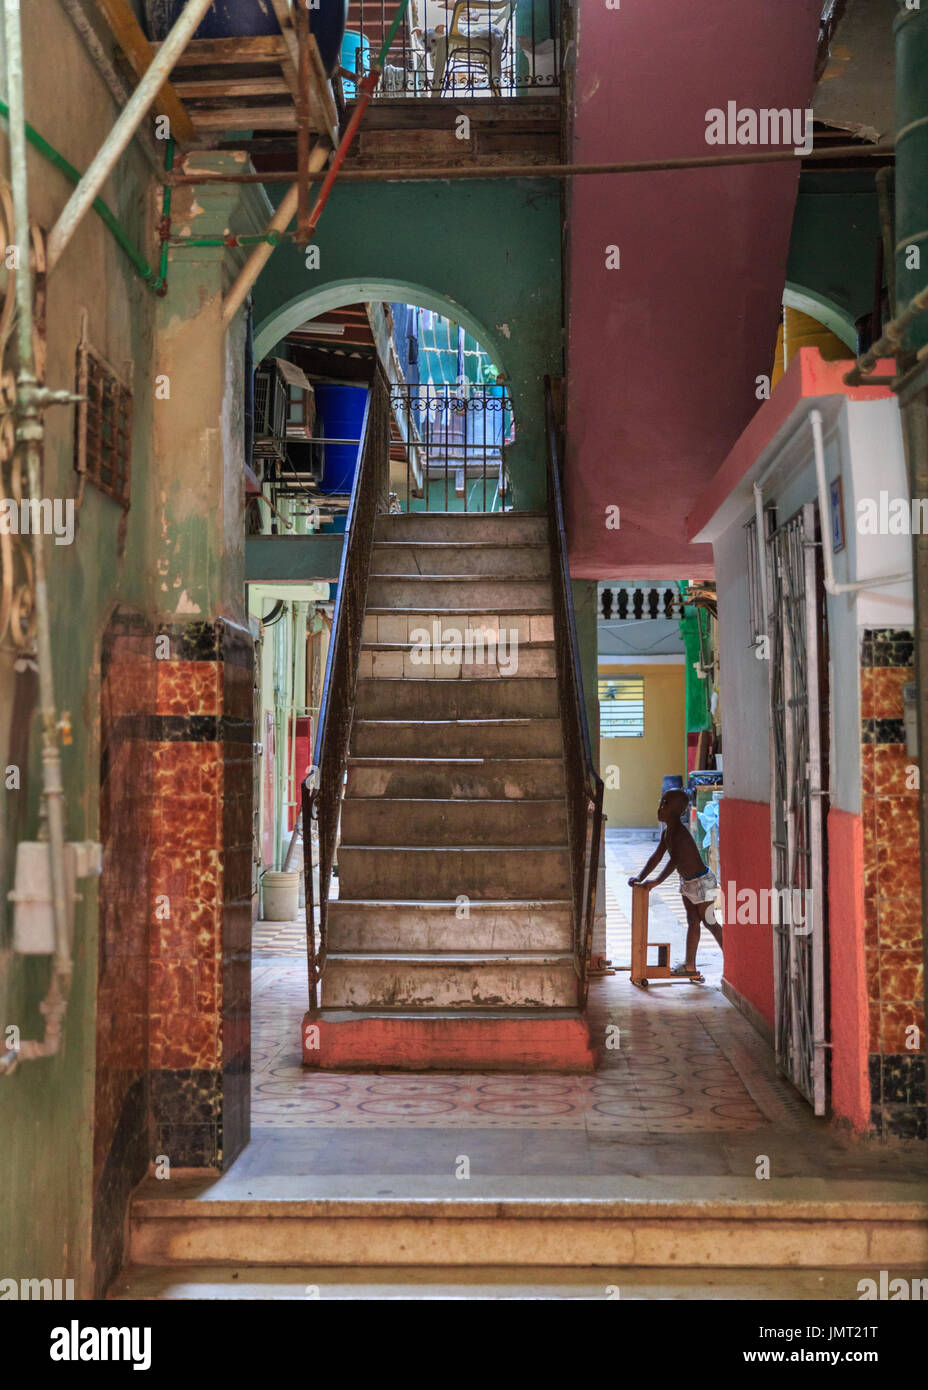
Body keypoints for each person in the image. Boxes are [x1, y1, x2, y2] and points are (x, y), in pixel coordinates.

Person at [628, 788, 722, 976]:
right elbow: (656, 857)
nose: (660, 808)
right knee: (693, 921)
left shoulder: (679, 833)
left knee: (709, 922)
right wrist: (640, 876)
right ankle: (690, 966)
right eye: (661, 802)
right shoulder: (667, 834)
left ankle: (733, 961)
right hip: (688, 882)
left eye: (665, 804)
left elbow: (675, 861)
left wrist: (655, 882)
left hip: (702, 881)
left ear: (678, 811)